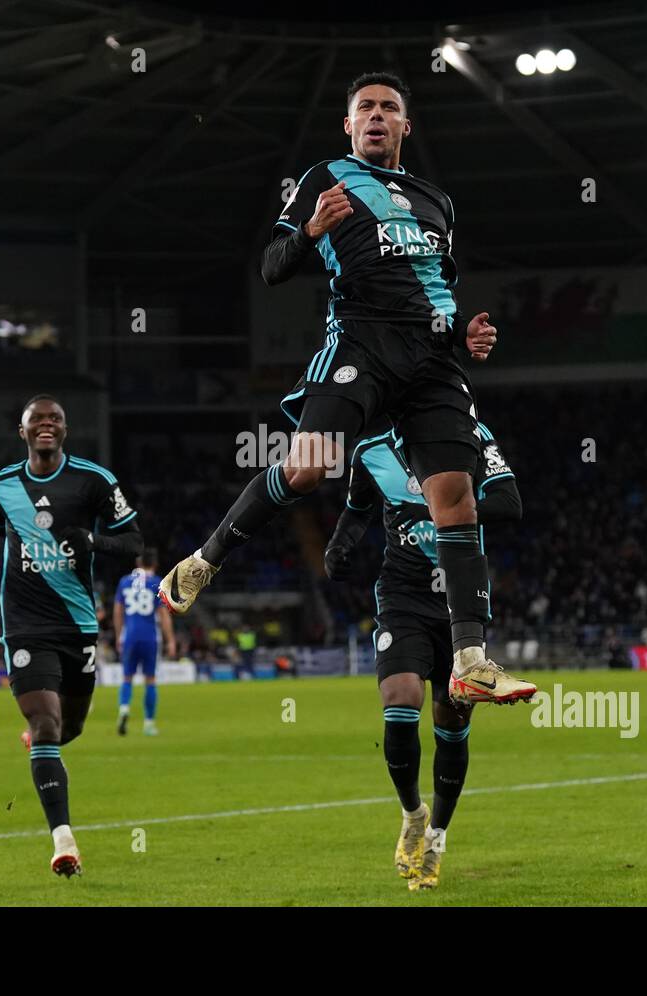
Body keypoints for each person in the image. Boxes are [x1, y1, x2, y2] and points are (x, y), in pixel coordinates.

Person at [159, 72, 531, 707]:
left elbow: (436, 288)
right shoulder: (323, 178)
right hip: (362, 346)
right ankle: (204, 559)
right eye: (366, 109)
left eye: (390, 108)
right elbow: (272, 267)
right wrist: (308, 233)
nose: (378, 116)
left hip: (435, 363)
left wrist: (463, 334)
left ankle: (470, 659)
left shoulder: (437, 201)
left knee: (457, 504)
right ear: (350, 125)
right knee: (307, 470)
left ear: (406, 126)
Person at [325, 419, 529, 890]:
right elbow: (357, 510)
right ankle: (413, 813)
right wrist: (340, 544)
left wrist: (444, 504)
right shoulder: (370, 452)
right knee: (400, 699)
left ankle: (436, 837)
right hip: (402, 598)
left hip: (460, 601)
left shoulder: (470, 434)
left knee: (451, 726)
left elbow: (510, 503)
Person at [0, 395, 143, 876]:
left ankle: (41, 743)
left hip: (79, 624)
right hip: (24, 626)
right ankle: (64, 841)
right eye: (36, 420)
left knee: (72, 728)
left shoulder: (94, 481)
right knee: (47, 723)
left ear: (65, 430)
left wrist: (94, 542)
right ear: (20, 432)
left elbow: (133, 543)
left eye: (55, 420)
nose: (46, 425)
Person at [112, 548, 176, 736]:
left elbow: (117, 611)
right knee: (150, 679)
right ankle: (148, 723)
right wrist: (171, 640)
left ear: (138, 564)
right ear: (154, 565)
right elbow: (164, 614)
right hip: (150, 636)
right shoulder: (157, 583)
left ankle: (124, 709)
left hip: (129, 635)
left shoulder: (124, 581)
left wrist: (119, 635)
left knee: (126, 677)